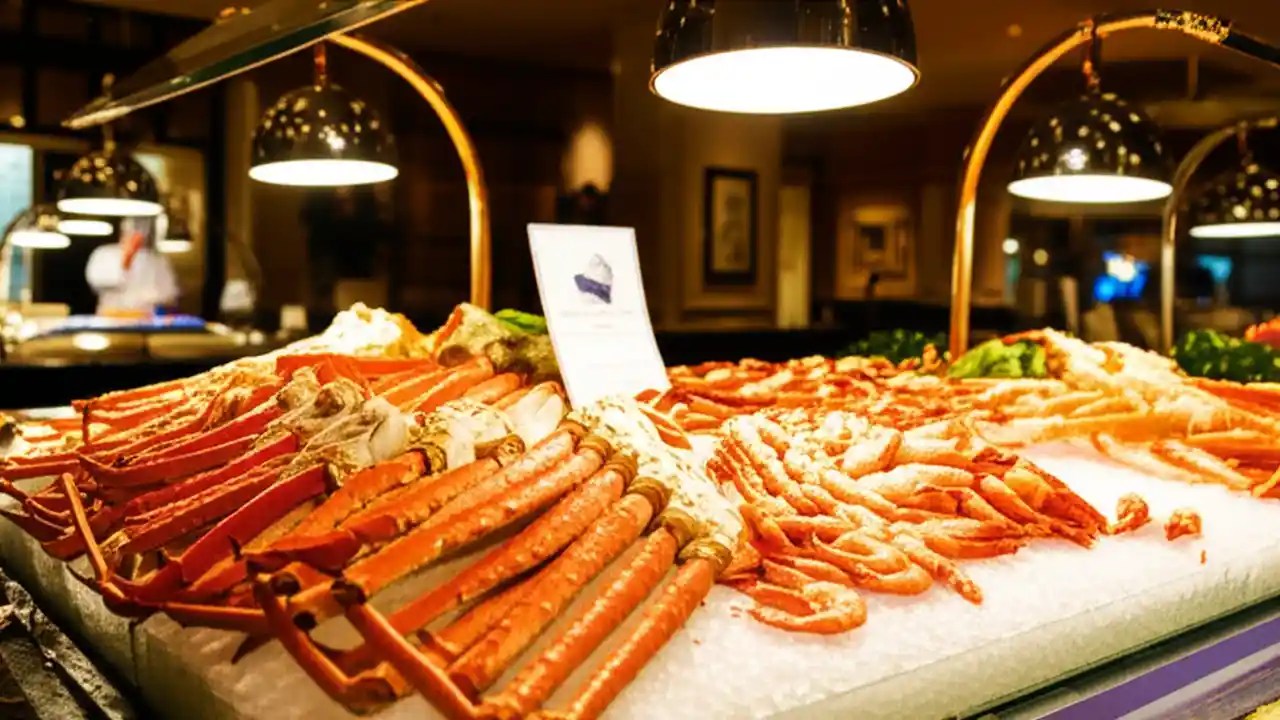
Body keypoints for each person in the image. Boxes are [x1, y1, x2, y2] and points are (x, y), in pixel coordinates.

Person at [85, 214, 179, 316]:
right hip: (109, 318)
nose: (137, 236)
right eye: (131, 232)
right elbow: (99, 282)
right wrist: (127, 259)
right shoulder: (104, 253)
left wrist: (148, 297)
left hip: (145, 320)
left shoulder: (157, 259)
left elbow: (168, 294)